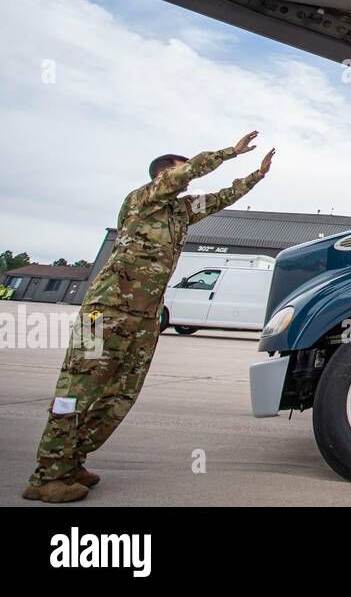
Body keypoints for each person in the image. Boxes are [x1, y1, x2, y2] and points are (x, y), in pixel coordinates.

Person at [24, 132, 274, 503]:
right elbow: (186, 174)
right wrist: (229, 153)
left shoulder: (178, 211)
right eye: (182, 171)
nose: (187, 178)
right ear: (162, 176)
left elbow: (221, 199)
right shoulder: (141, 199)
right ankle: (47, 474)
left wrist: (256, 175)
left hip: (143, 317)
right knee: (76, 391)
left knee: (120, 394)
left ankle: (72, 460)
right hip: (103, 312)